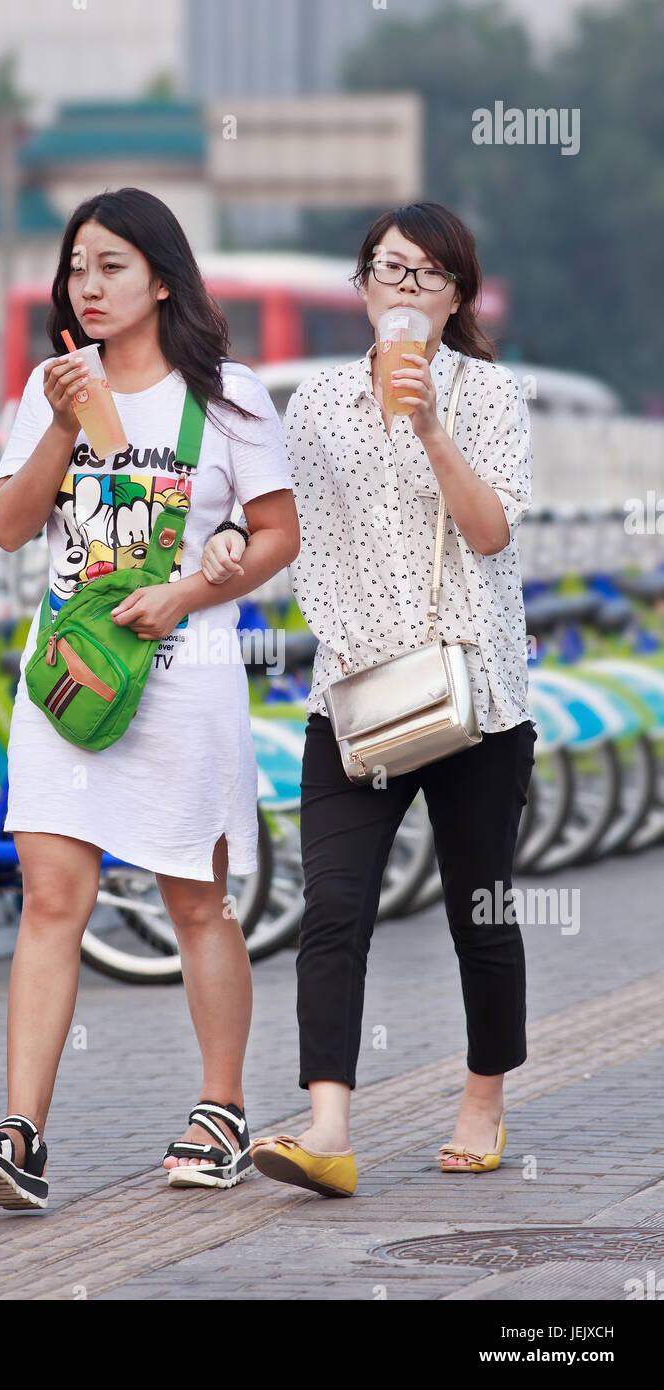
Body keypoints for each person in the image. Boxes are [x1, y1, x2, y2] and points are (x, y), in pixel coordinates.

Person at [0, 187, 298, 1210]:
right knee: (51, 895)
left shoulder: (228, 394)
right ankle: (22, 1133)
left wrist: (192, 588)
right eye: (75, 267)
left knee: (195, 897)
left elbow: (276, 533)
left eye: (110, 266)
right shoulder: (49, 385)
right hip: (65, 678)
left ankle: (220, 1109)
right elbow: (13, 528)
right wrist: (60, 424)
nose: (87, 285)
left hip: (184, 678)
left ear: (159, 277)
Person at [200, 201, 536, 1196]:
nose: (399, 290)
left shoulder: (486, 395)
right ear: (359, 286)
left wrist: (428, 422)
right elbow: (278, 525)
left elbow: (488, 534)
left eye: (423, 276)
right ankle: (328, 1127)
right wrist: (227, 543)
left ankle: (483, 1094)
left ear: (455, 298)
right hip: (352, 693)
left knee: (477, 908)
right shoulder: (312, 405)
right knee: (333, 906)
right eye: (384, 270)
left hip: (471, 691)